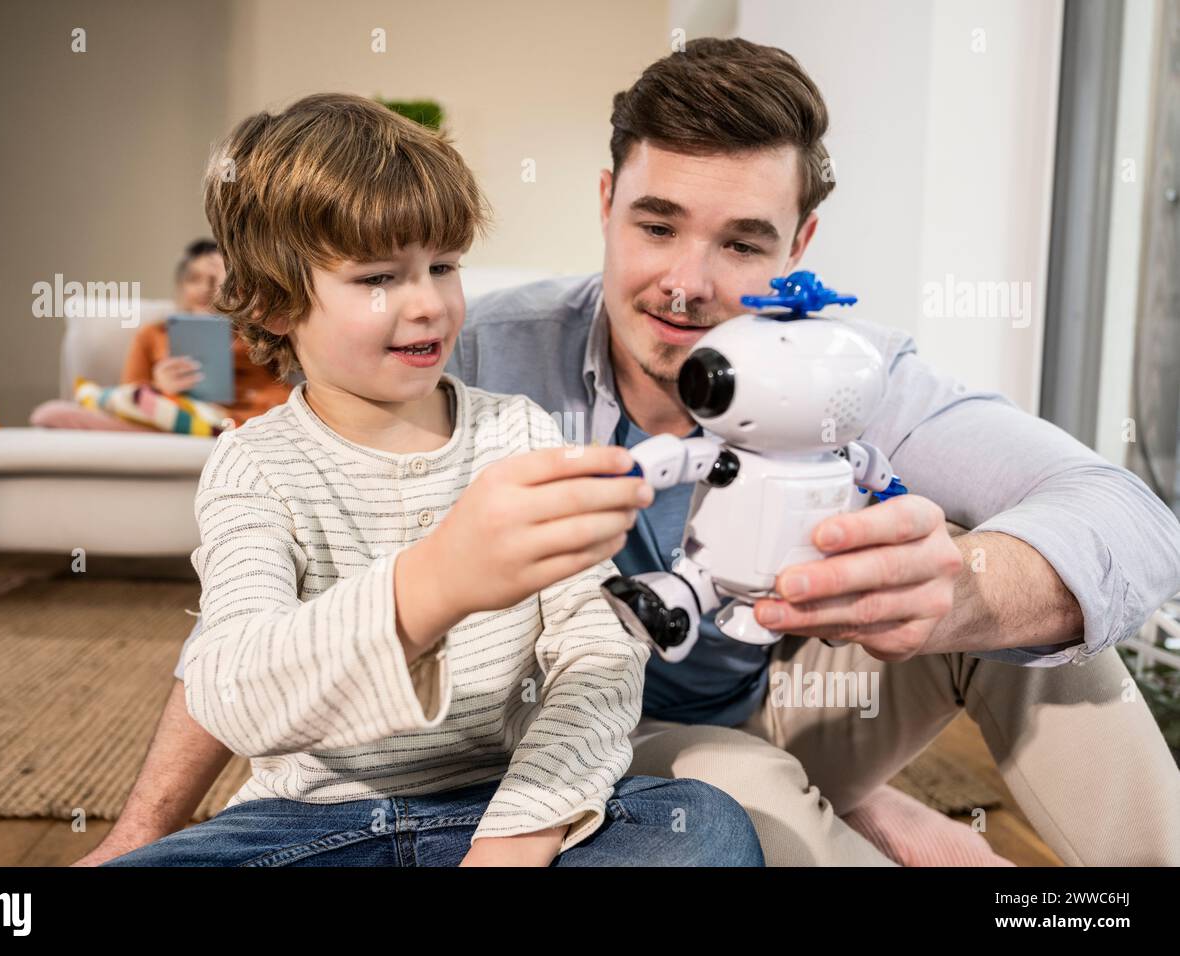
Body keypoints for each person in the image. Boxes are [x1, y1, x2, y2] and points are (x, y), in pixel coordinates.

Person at [78, 39, 1180, 868]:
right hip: (599, 727)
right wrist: (141, 829)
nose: (687, 282)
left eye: (742, 241)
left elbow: (1118, 509)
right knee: (730, 790)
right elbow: (243, 624)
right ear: (605, 206)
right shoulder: (475, 365)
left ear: (798, 247)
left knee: (1042, 610)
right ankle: (839, 817)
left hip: (780, 687)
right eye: (657, 225)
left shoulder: (848, 373)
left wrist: (969, 596)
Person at [101, 93, 762, 867]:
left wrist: (523, 828)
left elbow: (602, 652)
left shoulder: (518, 433)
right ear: (278, 303)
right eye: (379, 276)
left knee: (705, 828)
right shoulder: (253, 465)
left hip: (496, 803)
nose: (428, 304)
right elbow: (234, 692)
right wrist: (432, 584)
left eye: (443, 266)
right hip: (303, 827)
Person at [30, 239, 292, 432]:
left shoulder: (257, 329)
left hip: (247, 420)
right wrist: (159, 388)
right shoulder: (153, 335)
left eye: (216, 280)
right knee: (53, 413)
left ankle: (221, 428)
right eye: (194, 279)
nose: (205, 288)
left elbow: (287, 384)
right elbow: (129, 399)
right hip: (174, 418)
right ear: (180, 287)